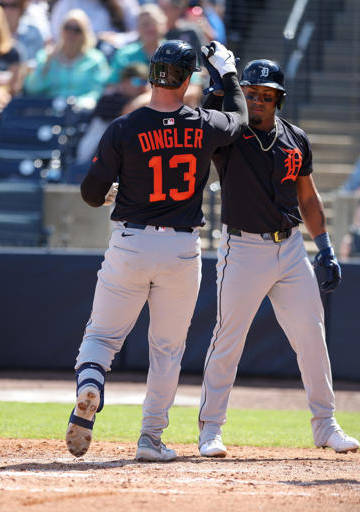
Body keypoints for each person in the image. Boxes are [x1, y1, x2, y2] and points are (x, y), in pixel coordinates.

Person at [66, 39, 248, 462]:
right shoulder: (202, 123)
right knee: (167, 349)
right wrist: (230, 74)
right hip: (181, 248)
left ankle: (90, 383)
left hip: (130, 241)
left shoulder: (124, 128)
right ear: (186, 79)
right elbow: (239, 119)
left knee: (101, 336)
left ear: (153, 73)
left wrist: (115, 193)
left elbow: (90, 194)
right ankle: (150, 439)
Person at [196, 59, 359, 458]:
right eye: (250, 93)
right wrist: (218, 87)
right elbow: (201, 124)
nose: (257, 101)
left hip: (289, 248)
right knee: (228, 340)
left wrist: (324, 246)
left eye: (266, 95)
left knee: (311, 335)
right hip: (243, 247)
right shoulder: (231, 132)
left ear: (278, 100)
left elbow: (308, 196)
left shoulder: (294, 138)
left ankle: (325, 425)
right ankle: (210, 430)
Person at [23, 9, 110, 110]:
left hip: (82, 115)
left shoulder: (96, 60)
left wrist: (79, 104)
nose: (71, 33)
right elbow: (32, 89)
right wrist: (44, 67)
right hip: (49, 112)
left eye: (77, 30)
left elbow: (97, 91)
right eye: (67, 28)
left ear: (85, 33)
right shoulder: (46, 56)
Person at [75, 62, 150, 163]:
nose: (142, 86)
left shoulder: (142, 99)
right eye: (137, 81)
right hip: (91, 156)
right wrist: (150, 94)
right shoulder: (110, 98)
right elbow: (130, 109)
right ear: (124, 82)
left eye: (144, 82)